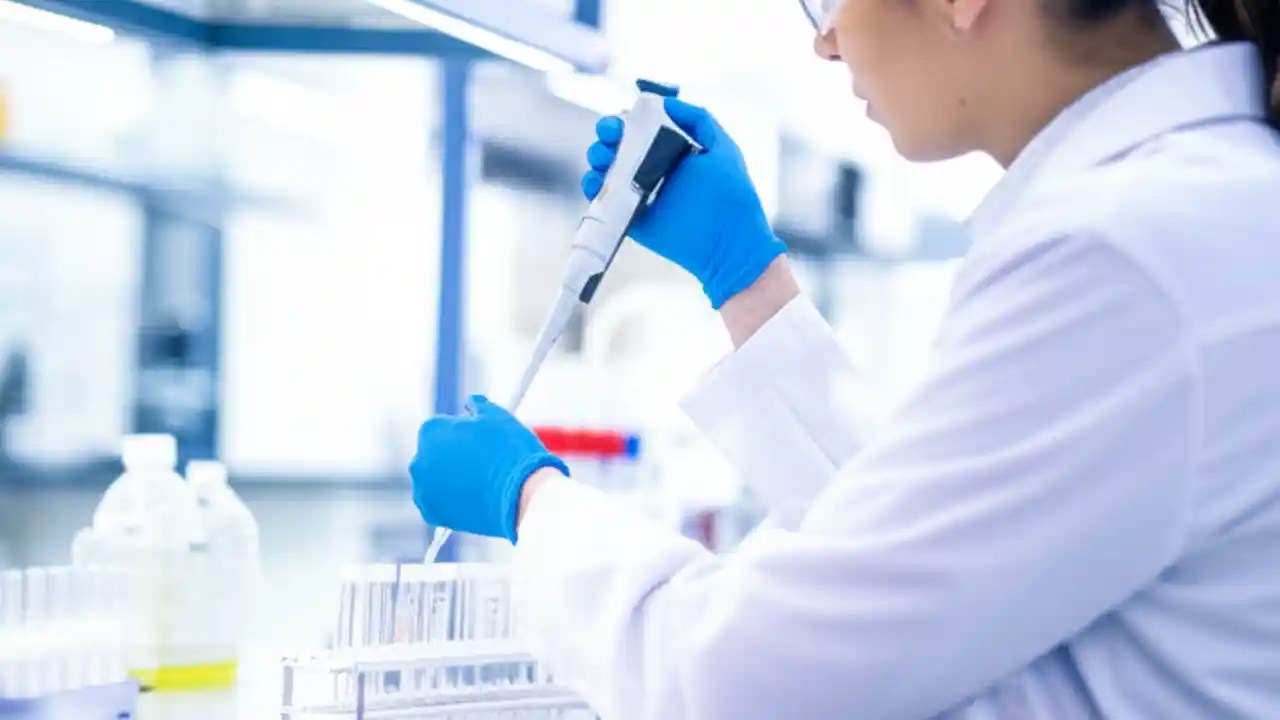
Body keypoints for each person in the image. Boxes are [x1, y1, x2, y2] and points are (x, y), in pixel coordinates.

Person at [410, 0, 1280, 717]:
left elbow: (747, 684)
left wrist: (531, 502)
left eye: (824, 1)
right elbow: (926, 564)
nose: (825, 42)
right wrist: (747, 281)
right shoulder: (1194, 206)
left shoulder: (1124, 251)